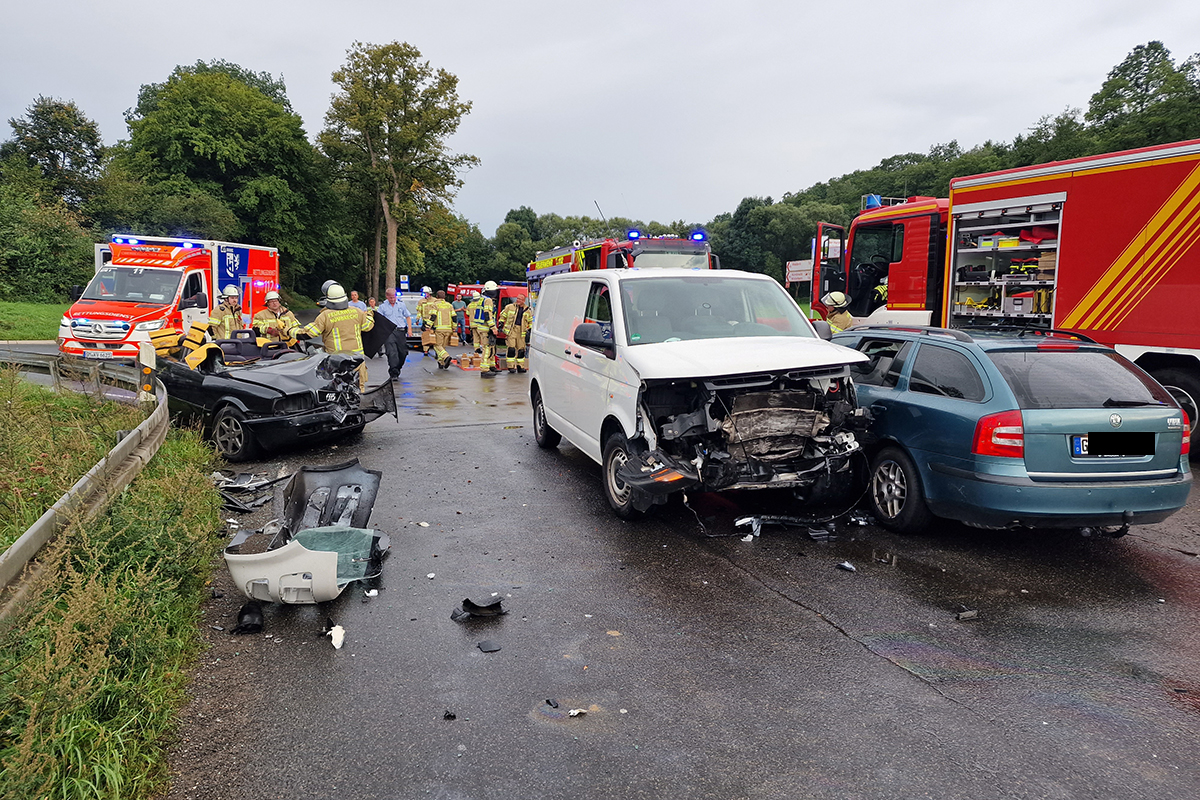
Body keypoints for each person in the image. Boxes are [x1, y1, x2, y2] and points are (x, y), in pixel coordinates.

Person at [300, 282, 375, 390]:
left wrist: (288, 330)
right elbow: (368, 326)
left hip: (336, 362)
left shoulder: (325, 316)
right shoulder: (357, 312)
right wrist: (369, 315)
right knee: (358, 390)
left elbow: (309, 333)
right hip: (357, 360)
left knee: (337, 390)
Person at [377, 287, 413, 381]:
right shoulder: (382, 307)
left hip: (400, 331)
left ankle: (397, 368)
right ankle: (393, 372)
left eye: (394, 297)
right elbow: (379, 320)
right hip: (389, 332)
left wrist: (409, 329)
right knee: (392, 352)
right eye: (391, 298)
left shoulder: (401, 305)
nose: (393, 299)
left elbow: (407, 316)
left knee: (403, 352)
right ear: (387, 296)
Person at [497, 292, 532, 373]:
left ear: (523, 301)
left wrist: (530, 330)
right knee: (511, 348)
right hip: (511, 330)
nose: (518, 300)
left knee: (521, 350)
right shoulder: (509, 307)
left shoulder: (527, 311)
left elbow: (530, 321)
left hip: (521, 332)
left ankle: (520, 366)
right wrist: (500, 324)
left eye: (520, 299)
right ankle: (511, 366)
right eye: (517, 298)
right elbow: (502, 316)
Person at [470, 286, 498, 378]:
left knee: (491, 347)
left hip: (482, 327)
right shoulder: (488, 300)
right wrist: (493, 327)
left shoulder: (482, 299)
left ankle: (491, 366)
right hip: (486, 328)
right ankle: (485, 370)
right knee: (487, 349)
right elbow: (487, 314)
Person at [424, 290, 456, 369]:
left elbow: (433, 316)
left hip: (439, 329)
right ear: (444, 297)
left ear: (437, 297)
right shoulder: (449, 305)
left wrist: (428, 325)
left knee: (437, 346)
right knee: (443, 347)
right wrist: (454, 327)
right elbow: (454, 317)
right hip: (448, 329)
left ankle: (446, 356)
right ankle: (441, 363)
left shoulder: (435, 305)